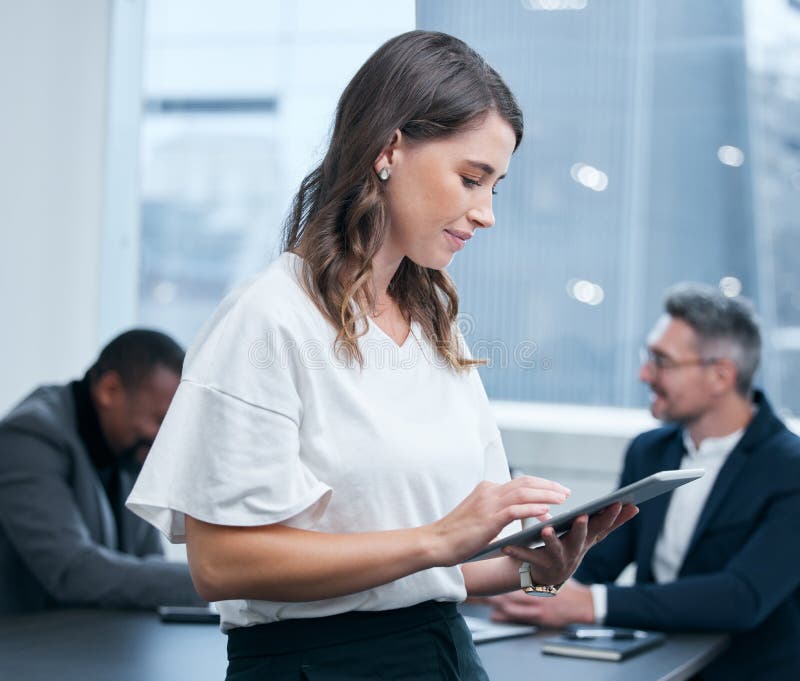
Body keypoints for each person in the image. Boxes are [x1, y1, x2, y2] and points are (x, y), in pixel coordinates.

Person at [126, 30, 636, 680]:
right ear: (389, 148)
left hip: (442, 653)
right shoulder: (269, 319)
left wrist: (531, 568)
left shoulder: (436, 330)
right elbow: (221, 564)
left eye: (495, 188)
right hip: (317, 665)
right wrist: (438, 539)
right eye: (472, 178)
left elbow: (437, 569)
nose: (486, 214)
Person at [487, 284, 800, 681]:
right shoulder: (651, 451)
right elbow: (600, 559)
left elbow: (743, 597)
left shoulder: (789, 467)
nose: (644, 374)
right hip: (656, 662)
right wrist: (526, 587)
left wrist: (592, 605)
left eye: (661, 361)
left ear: (721, 375)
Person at [0, 329, 204, 614]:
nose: (167, 438)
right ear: (109, 390)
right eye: (161, 420)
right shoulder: (27, 438)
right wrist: (214, 581)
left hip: (92, 644)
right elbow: (71, 571)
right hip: (25, 650)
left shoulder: (127, 451)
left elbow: (146, 560)